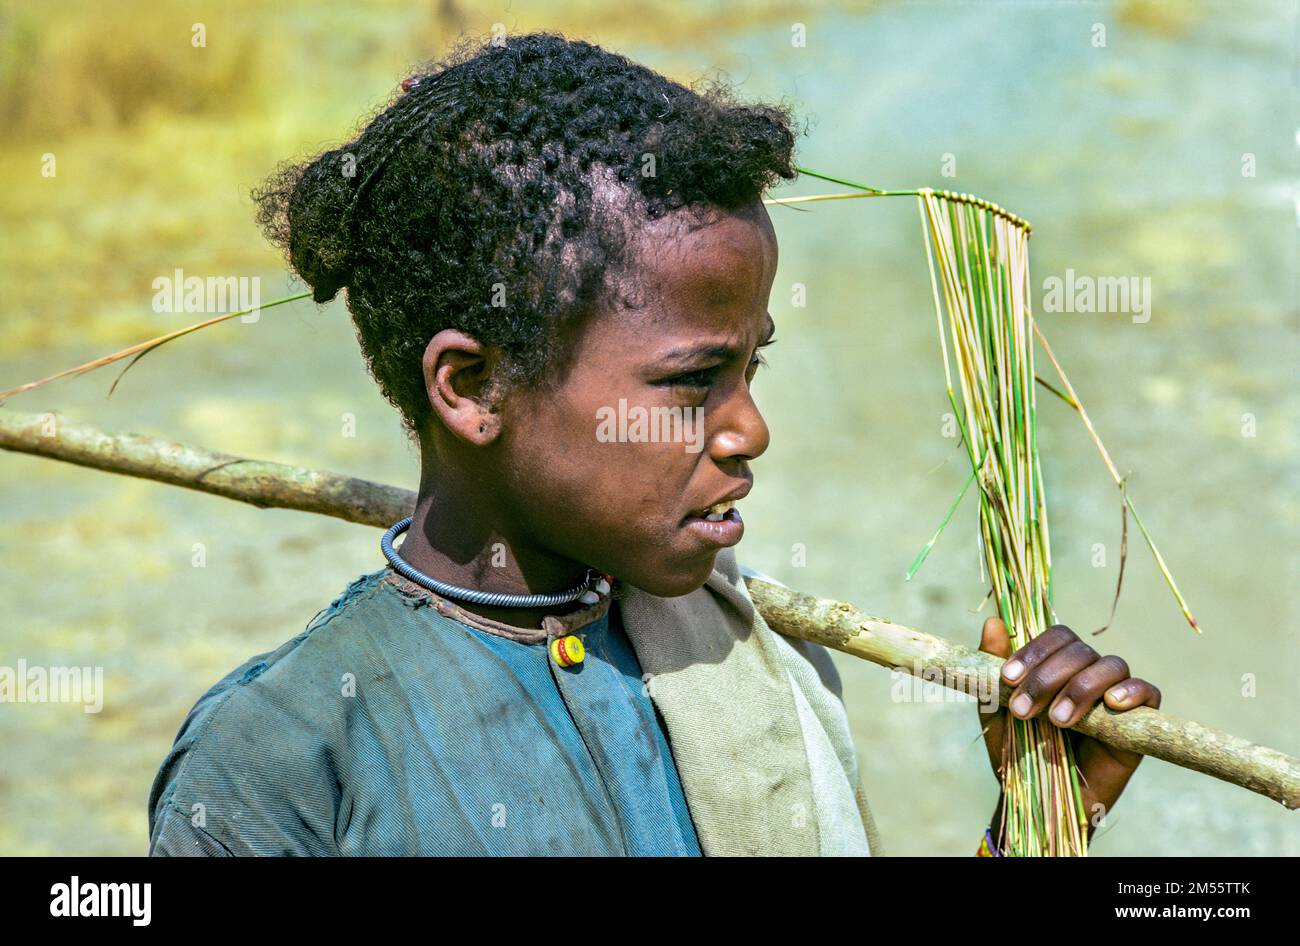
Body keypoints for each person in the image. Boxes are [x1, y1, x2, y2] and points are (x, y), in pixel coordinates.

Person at [147, 31, 1161, 857]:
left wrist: (1033, 828)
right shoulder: (279, 760)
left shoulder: (754, 662)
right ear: (470, 387)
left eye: (750, 370)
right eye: (689, 383)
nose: (750, 430)